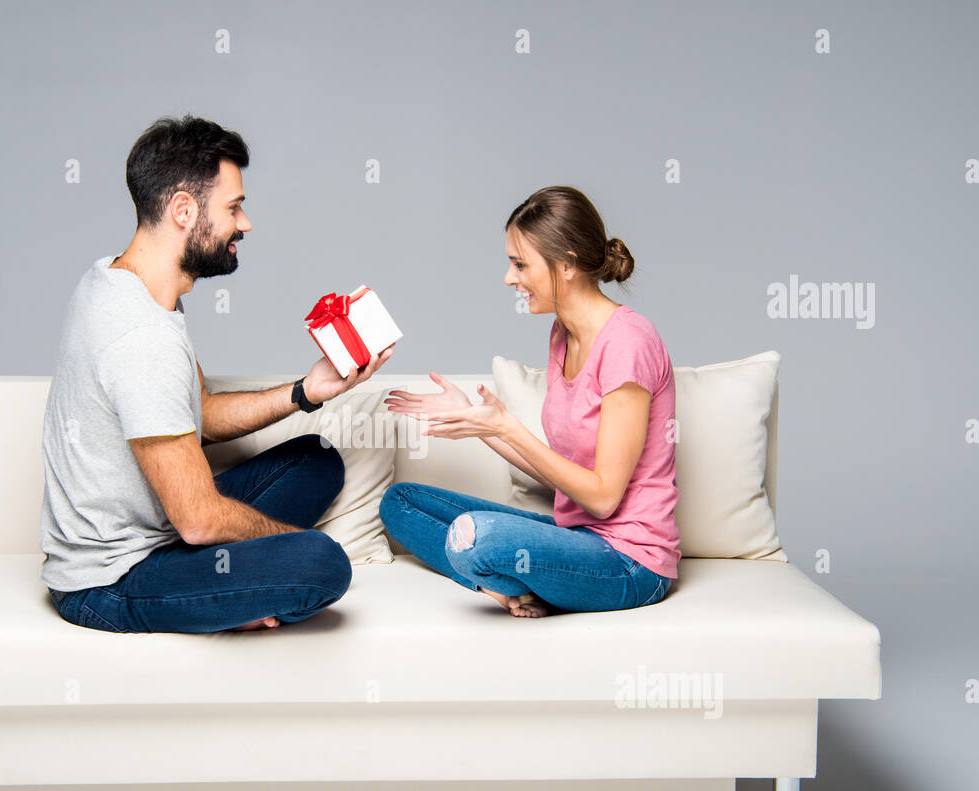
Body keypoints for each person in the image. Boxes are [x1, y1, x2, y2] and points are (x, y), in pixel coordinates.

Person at [40, 114, 393, 634]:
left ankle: (226, 587)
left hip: (159, 529)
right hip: (110, 581)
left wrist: (306, 391)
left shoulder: (122, 281)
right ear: (184, 209)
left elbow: (198, 411)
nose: (245, 223)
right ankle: (227, 593)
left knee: (316, 460)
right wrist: (280, 549)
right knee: (322, 564)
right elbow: (200, 520)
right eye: (234, 207)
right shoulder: (142, 338)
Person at [379, 186, 679, 618]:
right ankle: (508, 583)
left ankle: (501, 577)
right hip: (575, 536)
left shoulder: (628, 343)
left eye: (520, 264)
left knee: (474, 536)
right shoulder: (564, 334)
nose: (509, 278)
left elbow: (603, 498)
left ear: (567, 264)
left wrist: (508, 426)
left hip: (629, 562)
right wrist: (482, 423)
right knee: (400, 503)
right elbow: (561, 474)